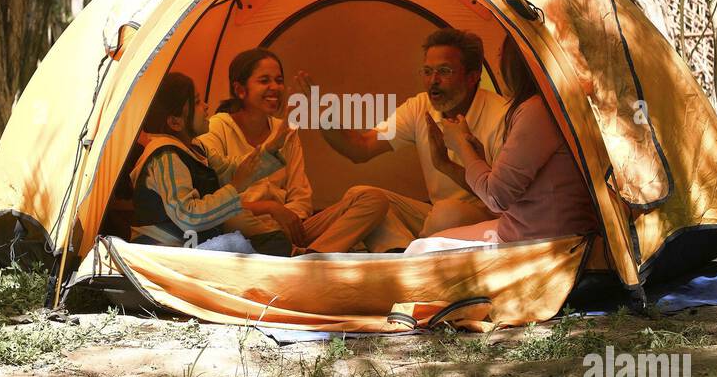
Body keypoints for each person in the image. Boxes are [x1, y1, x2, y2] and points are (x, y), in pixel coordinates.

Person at [297, 28, 509, 250]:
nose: (433, 81)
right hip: (436, 217)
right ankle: (398, 253)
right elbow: (360, 148)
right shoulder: (420, 107)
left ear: (472, 77)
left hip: (490, 224)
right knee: (365, 196)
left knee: (448, 212)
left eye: (444, 71)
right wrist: (322, 115)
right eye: (427, 71)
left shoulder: (500, 116)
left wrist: (445, 166)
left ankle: (411, 258)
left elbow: (501, 199)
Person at [406, 36, 599, 252]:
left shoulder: (537, 110)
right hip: (540, 228)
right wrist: (474, 157)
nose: (433, 80)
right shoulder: (555, 104)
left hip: (537, 238)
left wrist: (461, 145)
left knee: (423, 249)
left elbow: (496, 197)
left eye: (500, 57)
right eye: (427, 71)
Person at [201, 48, 390, 254]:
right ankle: (303, 255)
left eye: (279, 80)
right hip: (244, 230)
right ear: (240, 90)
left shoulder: (286, 132)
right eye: (264, 81)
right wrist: (270, 208)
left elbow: (300, 197)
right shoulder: (217, 128)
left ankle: (311, 256)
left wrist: (287, 221)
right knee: (231, 218)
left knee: (373, 199)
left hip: (288, 228)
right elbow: (211, 202)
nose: (275, 87)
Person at [128, 71, 293, 255]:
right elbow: (188, 215)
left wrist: (271, 146)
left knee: (273, 241)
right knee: (243, 245)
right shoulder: (166, 155)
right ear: (175, 122)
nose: (206, 106)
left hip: (191, 243)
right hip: (164, 251)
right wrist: (236, 186)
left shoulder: (195, 147)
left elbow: (232, 168)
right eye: (197, 102)